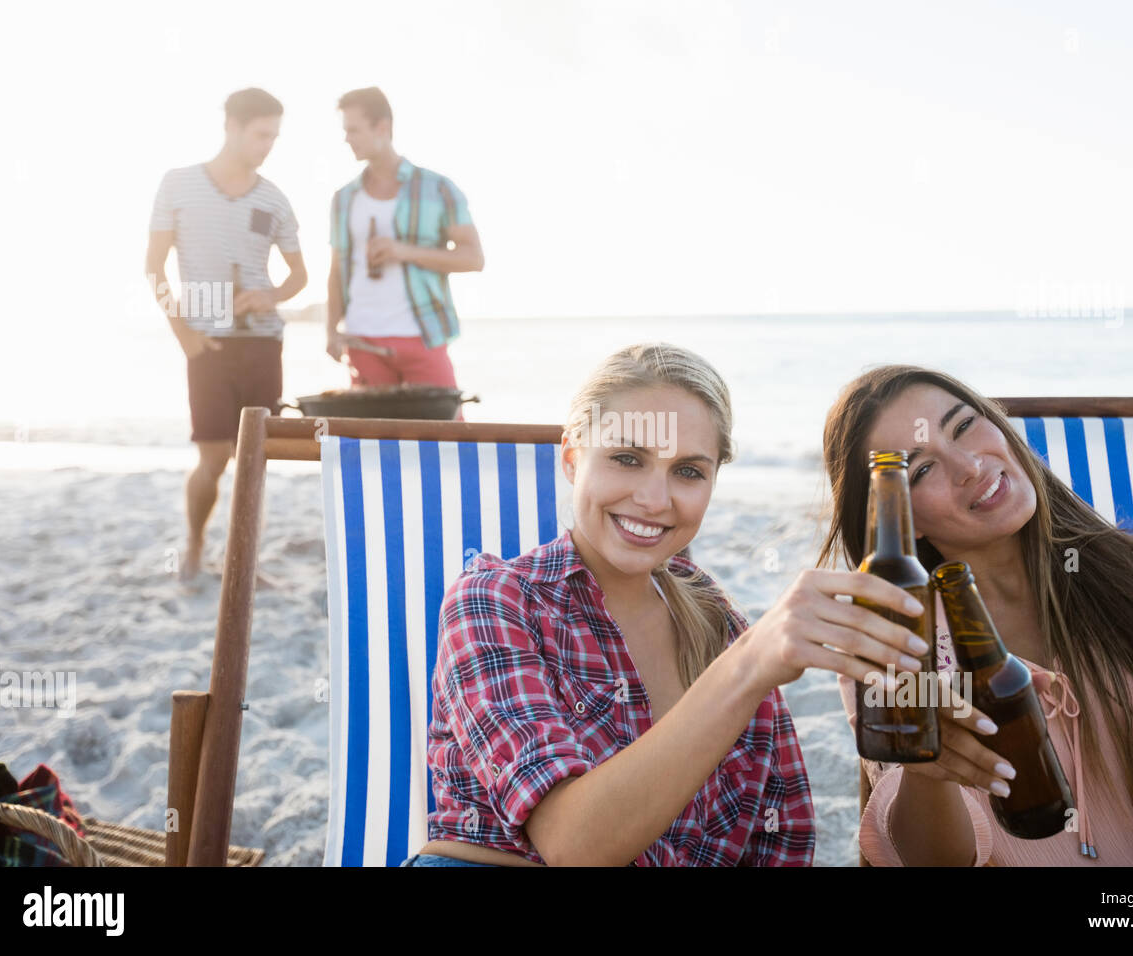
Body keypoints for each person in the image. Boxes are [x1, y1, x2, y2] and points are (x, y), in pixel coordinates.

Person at [413, 343, 973, 867]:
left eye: (687, 471)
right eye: (627, 459)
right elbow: (574, 845)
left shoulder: (717, 621)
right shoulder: (496, 599)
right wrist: (748, 668)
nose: (655, 500)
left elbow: (779, 842)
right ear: (571, 458)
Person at [818, 364, 1133, 866]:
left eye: (965, 425)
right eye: (921, 469)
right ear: (897, 516)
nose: (969, 465)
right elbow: (931, 860)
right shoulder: (893, 640)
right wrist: (928, 771)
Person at [146, 87, 307, 582]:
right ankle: (195, 546)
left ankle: (241, 562)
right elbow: (154, 268)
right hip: (207, 343)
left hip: (263, 343)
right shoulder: (178, 184)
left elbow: (298, 276)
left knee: (253, 461)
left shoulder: (273, 199)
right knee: (213, 456)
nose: (268, 145)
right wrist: (184, 336)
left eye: (275, 137)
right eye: (261, 134)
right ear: (232, 127)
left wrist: (272, 296)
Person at [325, 87, 482, 420]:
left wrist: (403, 251)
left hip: (421, 336)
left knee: (447, 438)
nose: (347, 139)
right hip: (362, 340)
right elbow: (337, 269)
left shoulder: (438, 188)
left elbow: (473, 258)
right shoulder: (344, 198)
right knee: (373, 449)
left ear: (382, 127)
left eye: (353, 130)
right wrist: (330, 330)